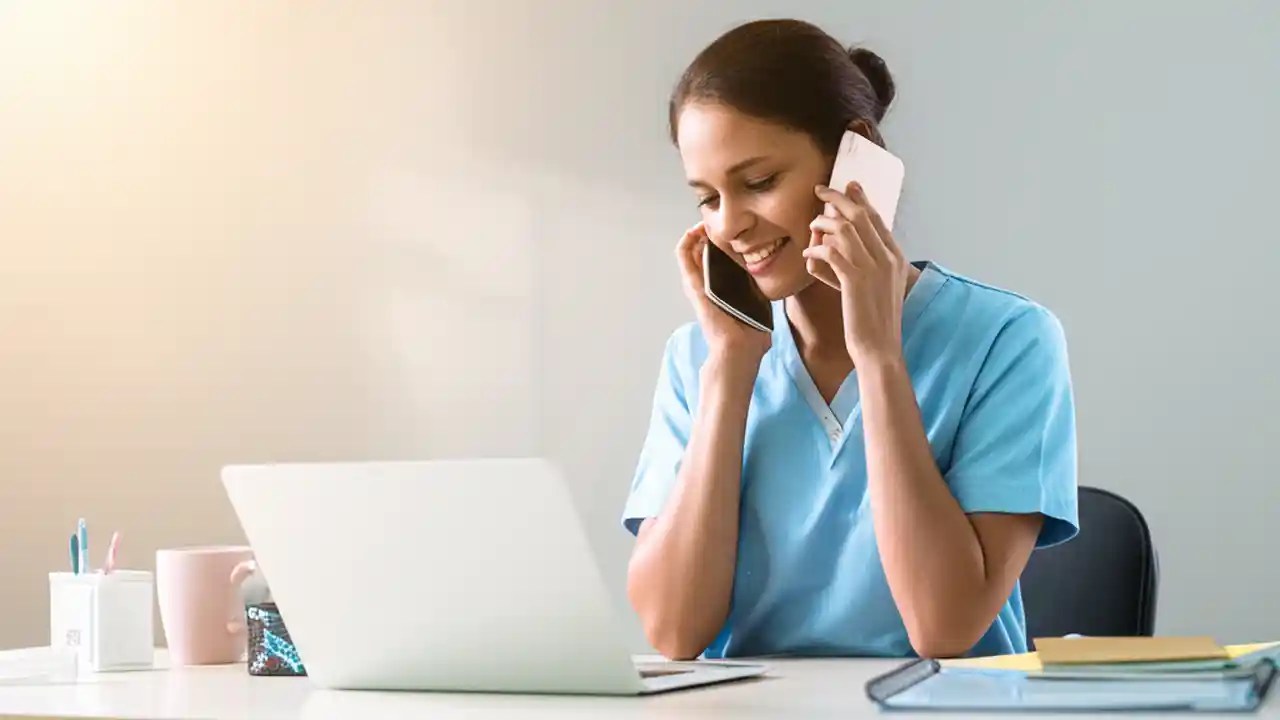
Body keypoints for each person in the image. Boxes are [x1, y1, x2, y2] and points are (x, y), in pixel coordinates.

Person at [621, 18, 1079, 661]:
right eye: (707, 197)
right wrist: (730, 367)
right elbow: (673, 631)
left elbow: (943, 629)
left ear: (852, 160)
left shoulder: (1009, 341)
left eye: (757, 183)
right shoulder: (698, 356)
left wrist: (879, 356)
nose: (729, 225)